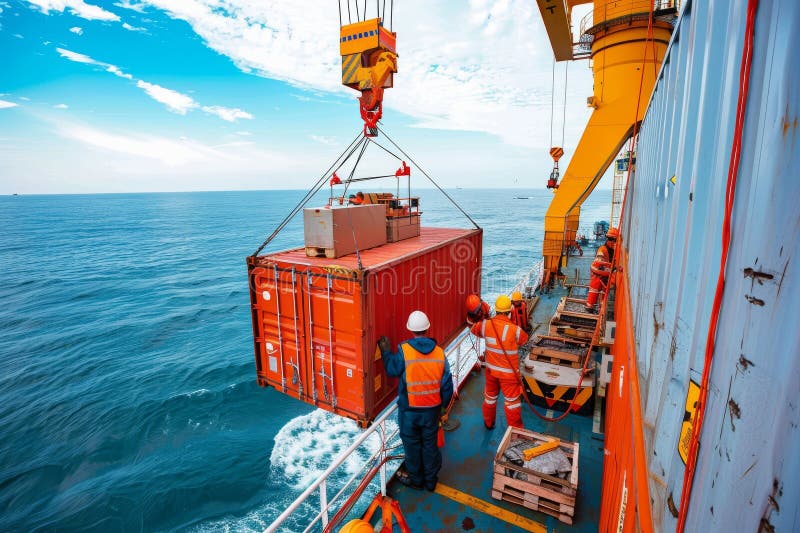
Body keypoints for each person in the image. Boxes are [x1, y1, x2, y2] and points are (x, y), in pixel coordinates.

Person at [379, 311, 453, 492]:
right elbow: (447, 386)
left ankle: (417, 481)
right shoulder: (439, 354)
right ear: (428, 329)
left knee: (412, 447)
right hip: (431, 411)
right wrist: (442, 407)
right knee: (429, 446)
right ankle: (430, 482)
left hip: (410, 413)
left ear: (410, 330)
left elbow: (392, 369)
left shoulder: (405, 351)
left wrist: (386, 352)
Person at [470, 295, 529, 429]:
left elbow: (473, 328)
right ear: (510, 312)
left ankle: (489, 423)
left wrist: (481, 311)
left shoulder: (485, 326)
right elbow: (524, 340)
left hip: (491, 372)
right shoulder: (515, 330)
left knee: (490, 399)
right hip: (509, 375)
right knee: (512, 404)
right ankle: (515, 434)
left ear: (495, 310)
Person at [585, 248, 611, 312]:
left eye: (601, 257)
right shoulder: (596, 264)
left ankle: (599, 307)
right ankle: (590, 307)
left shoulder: (602, 265)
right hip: (596, 284)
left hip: (601, 284)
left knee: (601, 296)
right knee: (593, 295)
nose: (600, 259)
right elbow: (603, 271)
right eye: (599, 257)